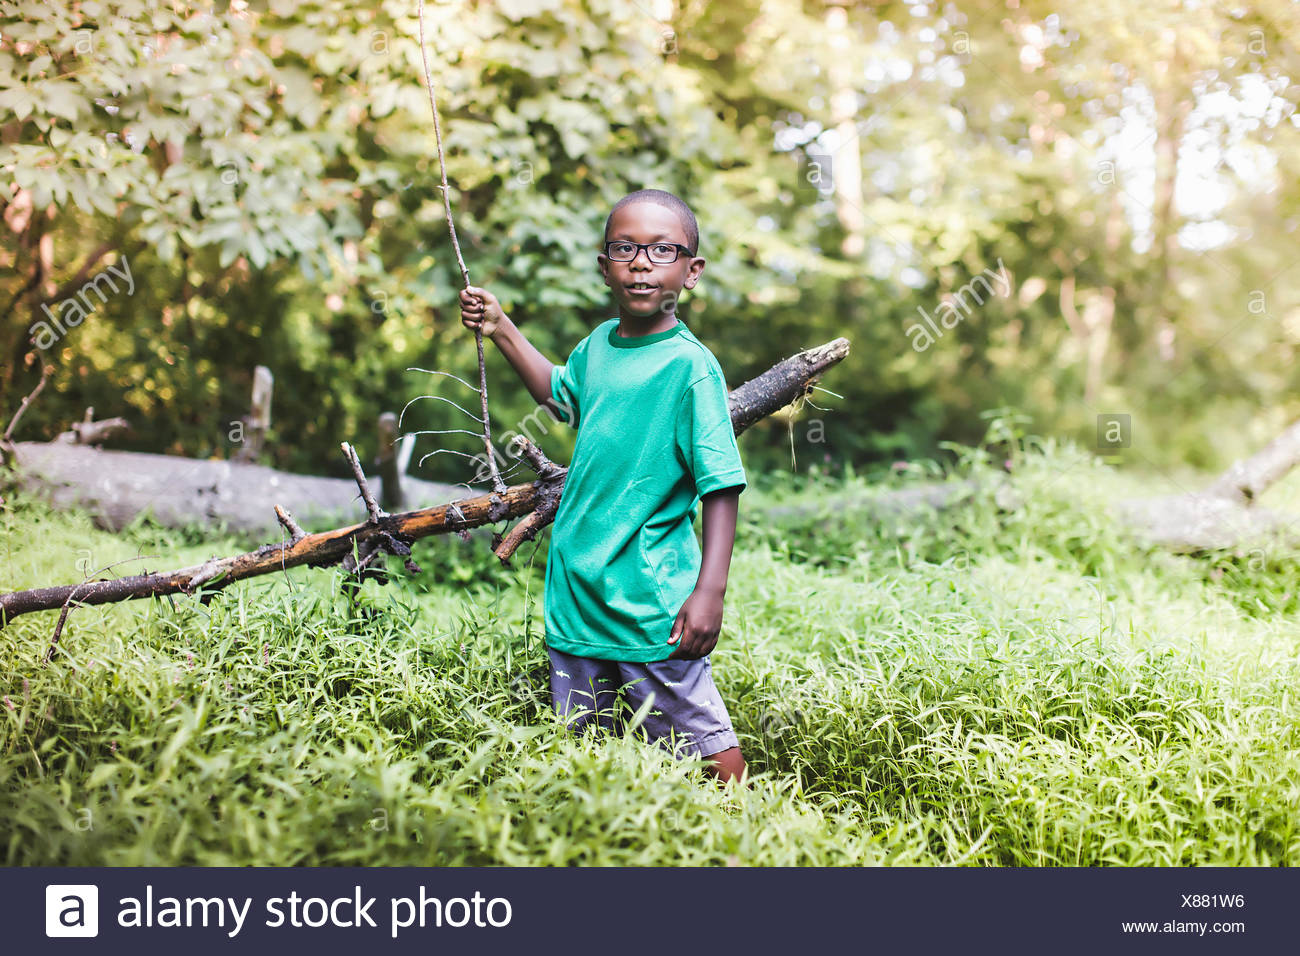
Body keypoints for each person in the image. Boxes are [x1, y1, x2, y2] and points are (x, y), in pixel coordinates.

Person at [458, 188, 748, 784]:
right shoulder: (597, 347)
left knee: (707, 748)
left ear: (690, 272)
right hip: (576, 588)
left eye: (662, 250)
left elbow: (721, 484)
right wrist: (501, 326)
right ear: (604, 265)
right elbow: (558, 394)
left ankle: (746, 836)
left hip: (648, 597)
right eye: (625, 248)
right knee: (590, 754)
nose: (642, 263)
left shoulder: (690, 367)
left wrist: (709, 591)